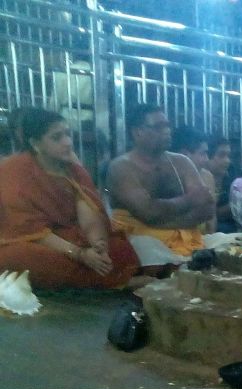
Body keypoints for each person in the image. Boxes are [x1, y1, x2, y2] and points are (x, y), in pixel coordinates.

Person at [0, 108, 139, 289]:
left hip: (68, 235)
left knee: (119, 248)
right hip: (30, 240)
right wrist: (79, 254)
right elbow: (27, 228)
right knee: (17, 257)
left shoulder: (72, 168)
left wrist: (98, 245)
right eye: (57, 138)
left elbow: (88, 213)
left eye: (68, 134)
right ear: (35, 143)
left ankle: (99, 279)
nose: (67, 142)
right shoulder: (13, 171)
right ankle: (112, 281)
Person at [107, 104, 214, 270]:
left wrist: (163, 224)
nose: (167, 131)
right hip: (142, 241)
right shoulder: (121, 167)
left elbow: (207, 209)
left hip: (188, 239)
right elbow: (148, 212)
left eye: (167, 126)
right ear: (137, 132)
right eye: (158, 127)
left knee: (234, 244)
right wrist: (189, 200)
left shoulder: (181, 162)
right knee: (147, 252)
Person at [173, 125, 216, 233]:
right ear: (184, 155)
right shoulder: (168, 178)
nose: (207, 159)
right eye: (202, 153)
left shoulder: (207, 177)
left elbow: (211, 219)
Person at [207, 134, 236, 232]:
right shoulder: (199, 179)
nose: (227, 161)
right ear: (208, 156)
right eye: (221, 155)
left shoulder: (233, 177)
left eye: (228, 156)